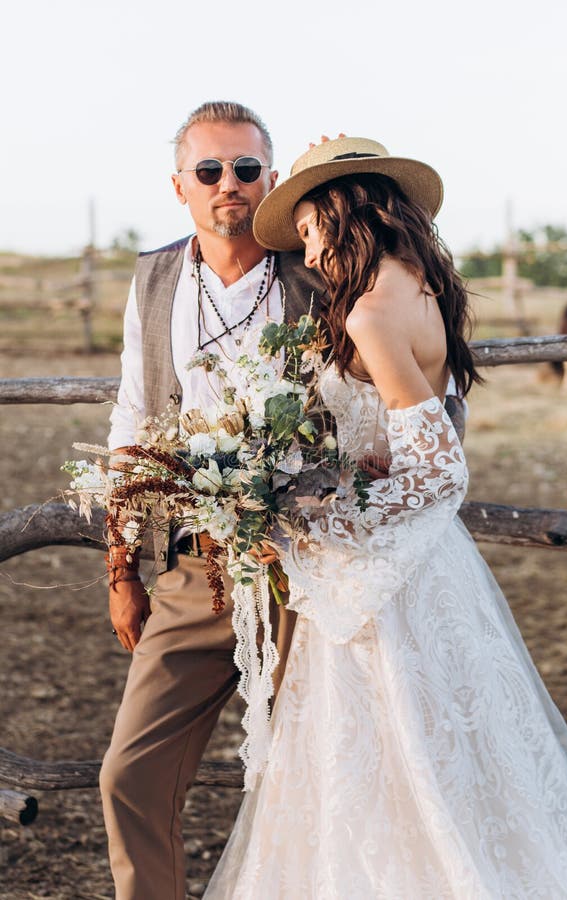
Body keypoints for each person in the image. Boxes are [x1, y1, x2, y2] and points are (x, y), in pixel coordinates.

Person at [203, 137, 567, 898]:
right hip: (422, 560)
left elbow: (439, 467)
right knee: (437, 755)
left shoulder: (371, 315)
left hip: (386, 579)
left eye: (310, 231)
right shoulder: (415, 284)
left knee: (392, 754)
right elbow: (412, 432)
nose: (309, 255)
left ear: (338, 213)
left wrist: (322, 517)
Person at [98, 101, 326, 900]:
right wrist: (121, 567)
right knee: (130, 772)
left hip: (307, 567)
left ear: (271, 179)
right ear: (180, 186)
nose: (228, 185)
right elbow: (132, 419)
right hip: (193, 570)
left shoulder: (317, 271)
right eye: (209, 171)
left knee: (316, 772)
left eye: (246, 169)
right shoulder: (154, 276)